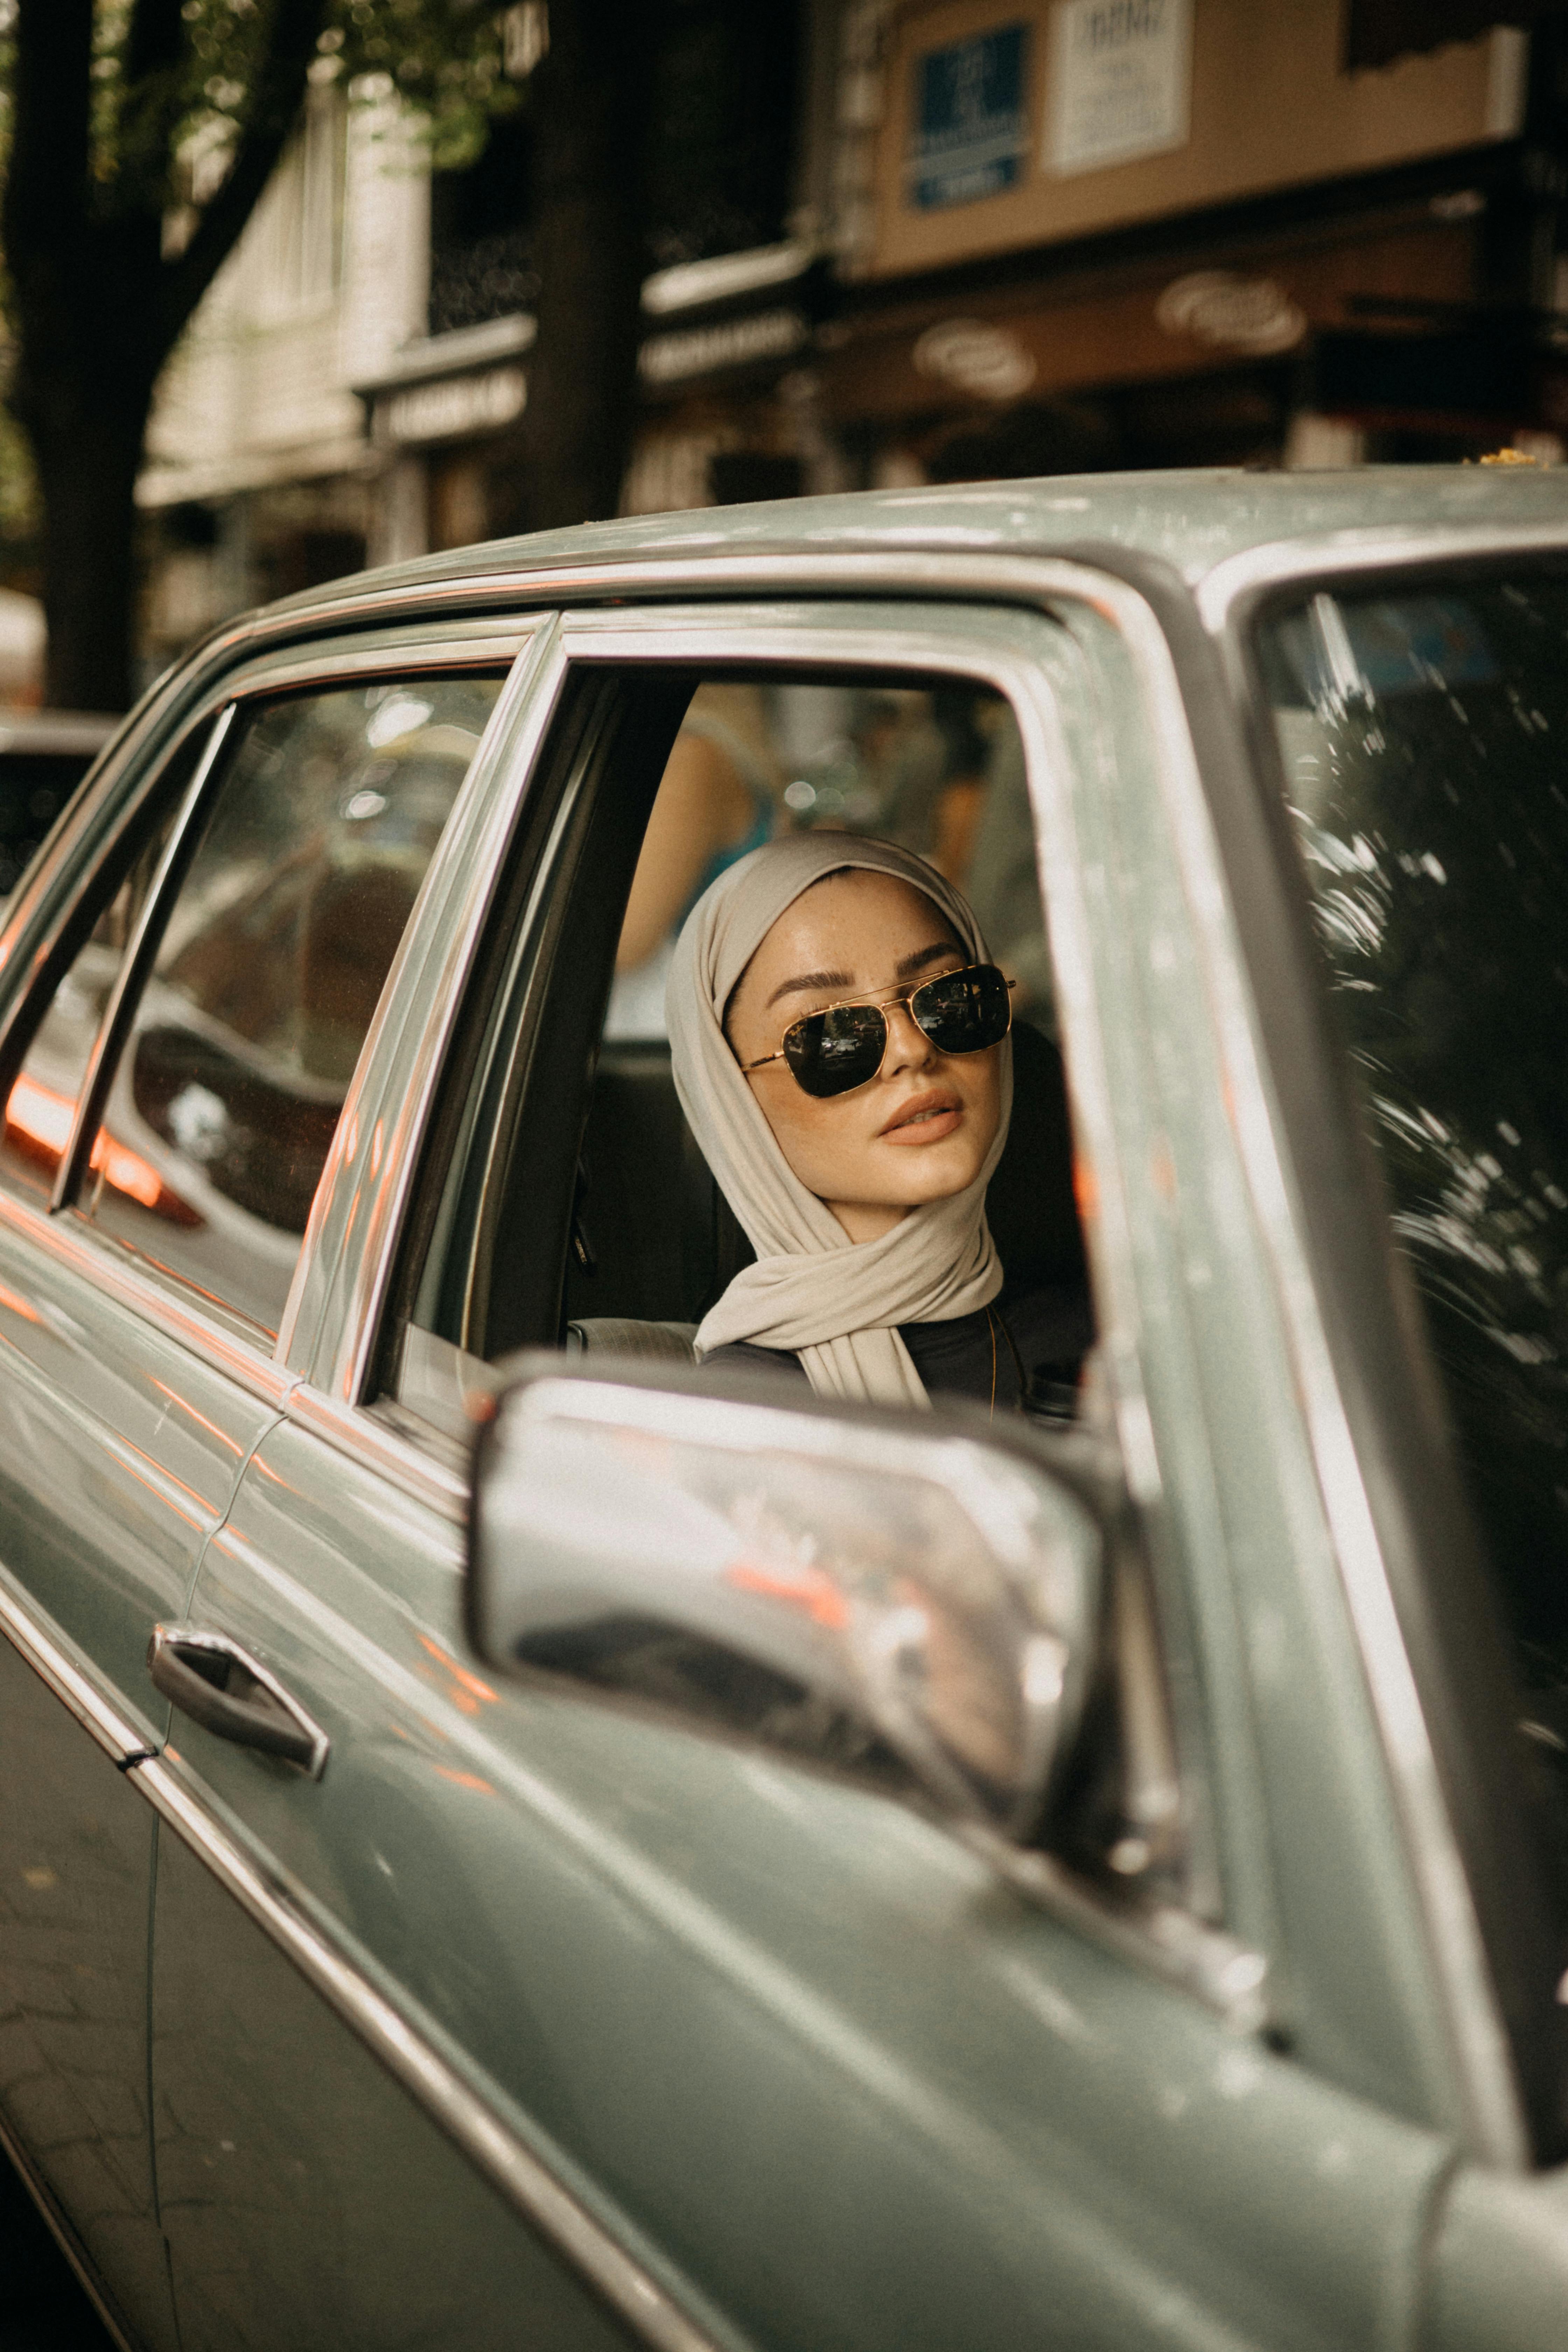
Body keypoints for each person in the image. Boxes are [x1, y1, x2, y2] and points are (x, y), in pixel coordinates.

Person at [667, 830, 1092, 1412]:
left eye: (948, 998)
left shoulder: (1140, 1336)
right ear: (730, 1095)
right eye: (831, 1031)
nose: (911, 1051)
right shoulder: (741, 1417)